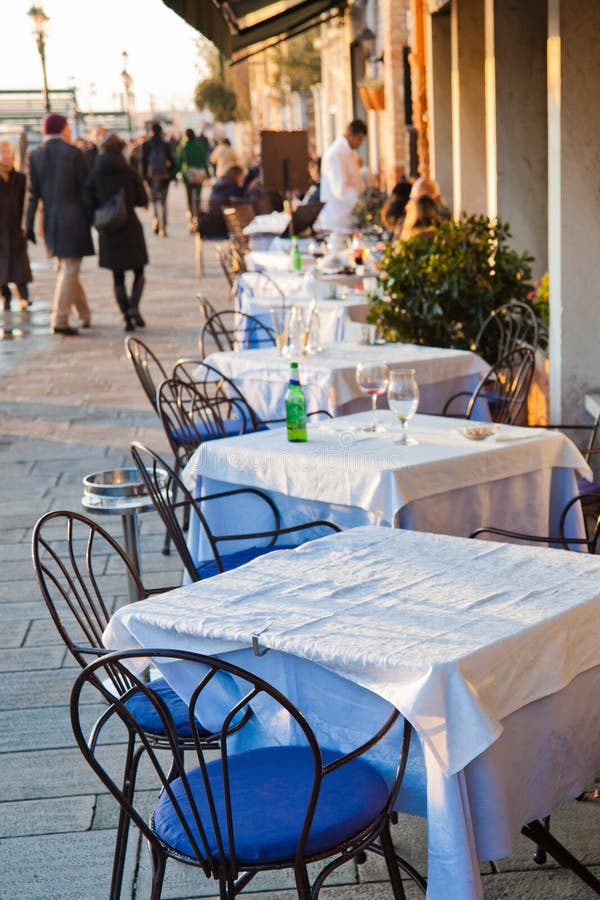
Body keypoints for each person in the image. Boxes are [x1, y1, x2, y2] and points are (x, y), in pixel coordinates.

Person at [26, 112, 94, 336]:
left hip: (49, 220)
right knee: (70, 268)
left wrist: (29, 224)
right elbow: (86, 188)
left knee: (68, 267)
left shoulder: (35, 156)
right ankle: (60, 318)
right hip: (73, 218)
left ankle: (84, 314)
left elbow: (33, 195)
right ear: (63, 129)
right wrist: (92, 215)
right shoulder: (73, 153)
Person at [84, 134, 149, 332]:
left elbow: (88, 204)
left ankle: (126, 315)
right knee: (139, 270)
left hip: (109, 230)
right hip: (130, 227)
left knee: (117, 277)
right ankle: (134, 308)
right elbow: (141, 199)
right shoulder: (129, 172)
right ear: (121, 149)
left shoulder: (95, 174)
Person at [319, 119, 367, 234]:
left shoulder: (350, 153)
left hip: (349, 217)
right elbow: (341, 189)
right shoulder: (335, 154)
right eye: (359, 139)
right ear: (349, 134)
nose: (360, 143)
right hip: (338, 221)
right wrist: (363, 204)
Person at [0, 140, 32, 311]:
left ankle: (24, 297)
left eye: (7, 152)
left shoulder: (19, 178)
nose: (6, 156)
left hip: (15, 229)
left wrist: (24, 225)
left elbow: (23, 204)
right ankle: (5, 296)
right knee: (2, 268)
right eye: (2, 153)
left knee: (20, 267)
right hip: (0, 230)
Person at [141, 122, 175, 237]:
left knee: (154, 201)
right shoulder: (165, 144)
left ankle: (155, 221)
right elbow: (171, 159)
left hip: (151, 177)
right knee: (164, 202)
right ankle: (163, 227)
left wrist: (144, 177)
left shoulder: (146, 145)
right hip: (164, 177)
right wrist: (172, 175)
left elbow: (143, 162)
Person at [177, 128, 210, 232]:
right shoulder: (199, 146)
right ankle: (199, 219)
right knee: (198, 198)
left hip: (188, 176)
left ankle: (191, 220)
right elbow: (204, 161)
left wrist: (175, 174)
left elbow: (180, 162)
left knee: (189, 199)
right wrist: (208, 175)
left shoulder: (184, 146)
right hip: (199, 175)